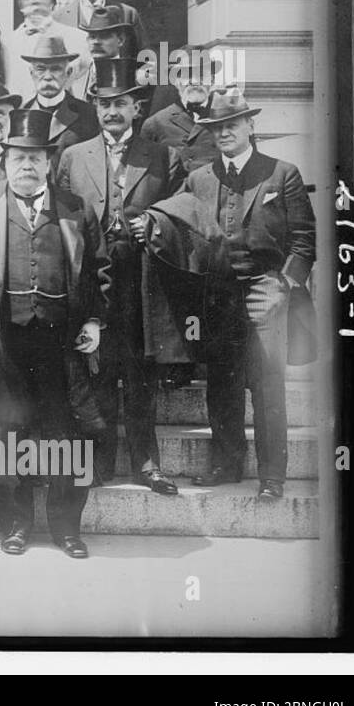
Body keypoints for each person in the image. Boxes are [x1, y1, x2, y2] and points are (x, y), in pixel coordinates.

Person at [0, 107, 110, 559]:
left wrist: (95, 321)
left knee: (66, 437)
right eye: (17, 156)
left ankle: (66, 529)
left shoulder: (75, 209)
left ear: (48, 164)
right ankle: (16, 526)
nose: (25, 165)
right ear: (4, 160)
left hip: (61, 344)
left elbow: (101, 271)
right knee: (8, 434)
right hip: (4, 340)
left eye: (35, 158)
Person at [168, 91, 315, 499]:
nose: (224, 134)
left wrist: (284, 285)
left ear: (251, 125)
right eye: (217, 128)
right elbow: (180, 230)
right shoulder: (199, 178)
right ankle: (226, 464)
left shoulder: (281, 173)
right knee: (222, 383)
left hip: (268, 290)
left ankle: (273, 476)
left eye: (232, 125)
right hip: (218, 293)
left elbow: (304, 241)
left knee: (268, 383)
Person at [56, 58, 183, 494]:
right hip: (91, 279)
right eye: (103, 103)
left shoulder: (160, 156)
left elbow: (182, 208)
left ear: (136, 108)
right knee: (97, 372)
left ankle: (147, 464)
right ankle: (99, 461)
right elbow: (59, 214)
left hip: (141, 281)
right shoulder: (73, 156)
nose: (111, 111)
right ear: (94, 106)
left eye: (121, 103)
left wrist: (153, 221)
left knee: (139, 372)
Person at [6, 0, 92, 102]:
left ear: (53, 1)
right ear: (19, 4)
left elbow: (83, 84)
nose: (34, 1)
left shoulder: (78, 38)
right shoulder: (8, 42)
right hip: (21, 115)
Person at [18, 34, 99, 167]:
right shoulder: (20, 114)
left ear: (68, 72)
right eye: (40, 69)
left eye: (55, 69)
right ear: (31, 73)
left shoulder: (88, 114)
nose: (48, 77)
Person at [140, 66, 221, 175]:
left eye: (201, 75)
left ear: (212, 81)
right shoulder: (155, 124)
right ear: (175, 81)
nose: (195, 81)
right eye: (187, 75)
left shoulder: (226, 119)